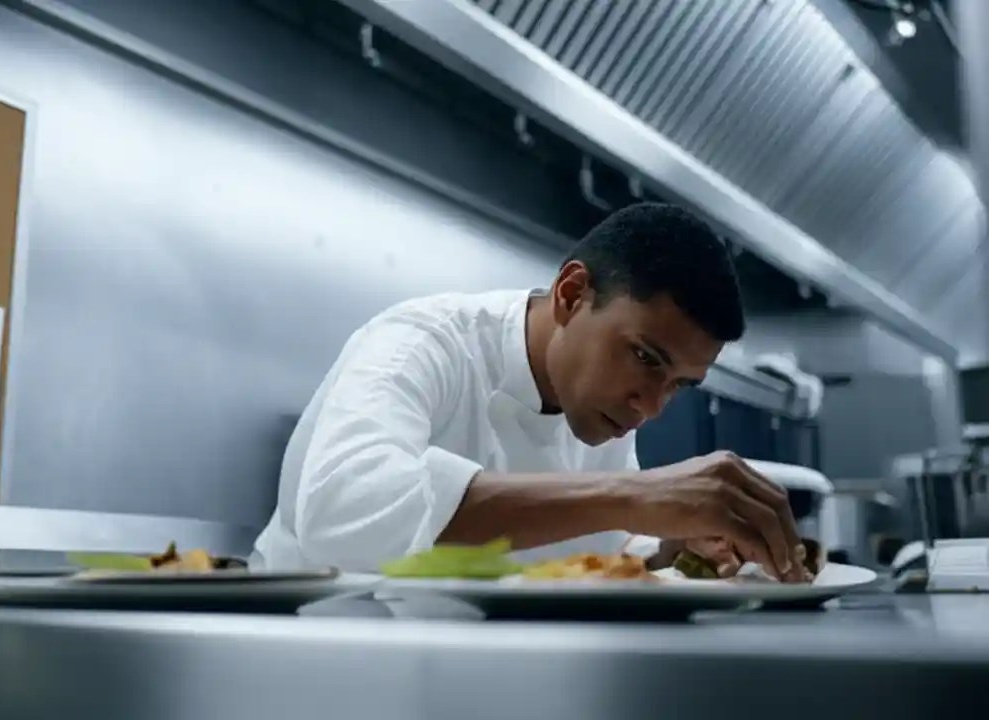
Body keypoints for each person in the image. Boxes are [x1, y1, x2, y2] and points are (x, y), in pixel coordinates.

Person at [251, 202, 807, 582]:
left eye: (678, 386)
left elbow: (588, 541)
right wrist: (635, 499)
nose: (652, 406)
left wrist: (669, 544)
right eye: (644, 357)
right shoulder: (424, 343)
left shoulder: (600, 406)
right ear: (571, 294)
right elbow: (341, 512)